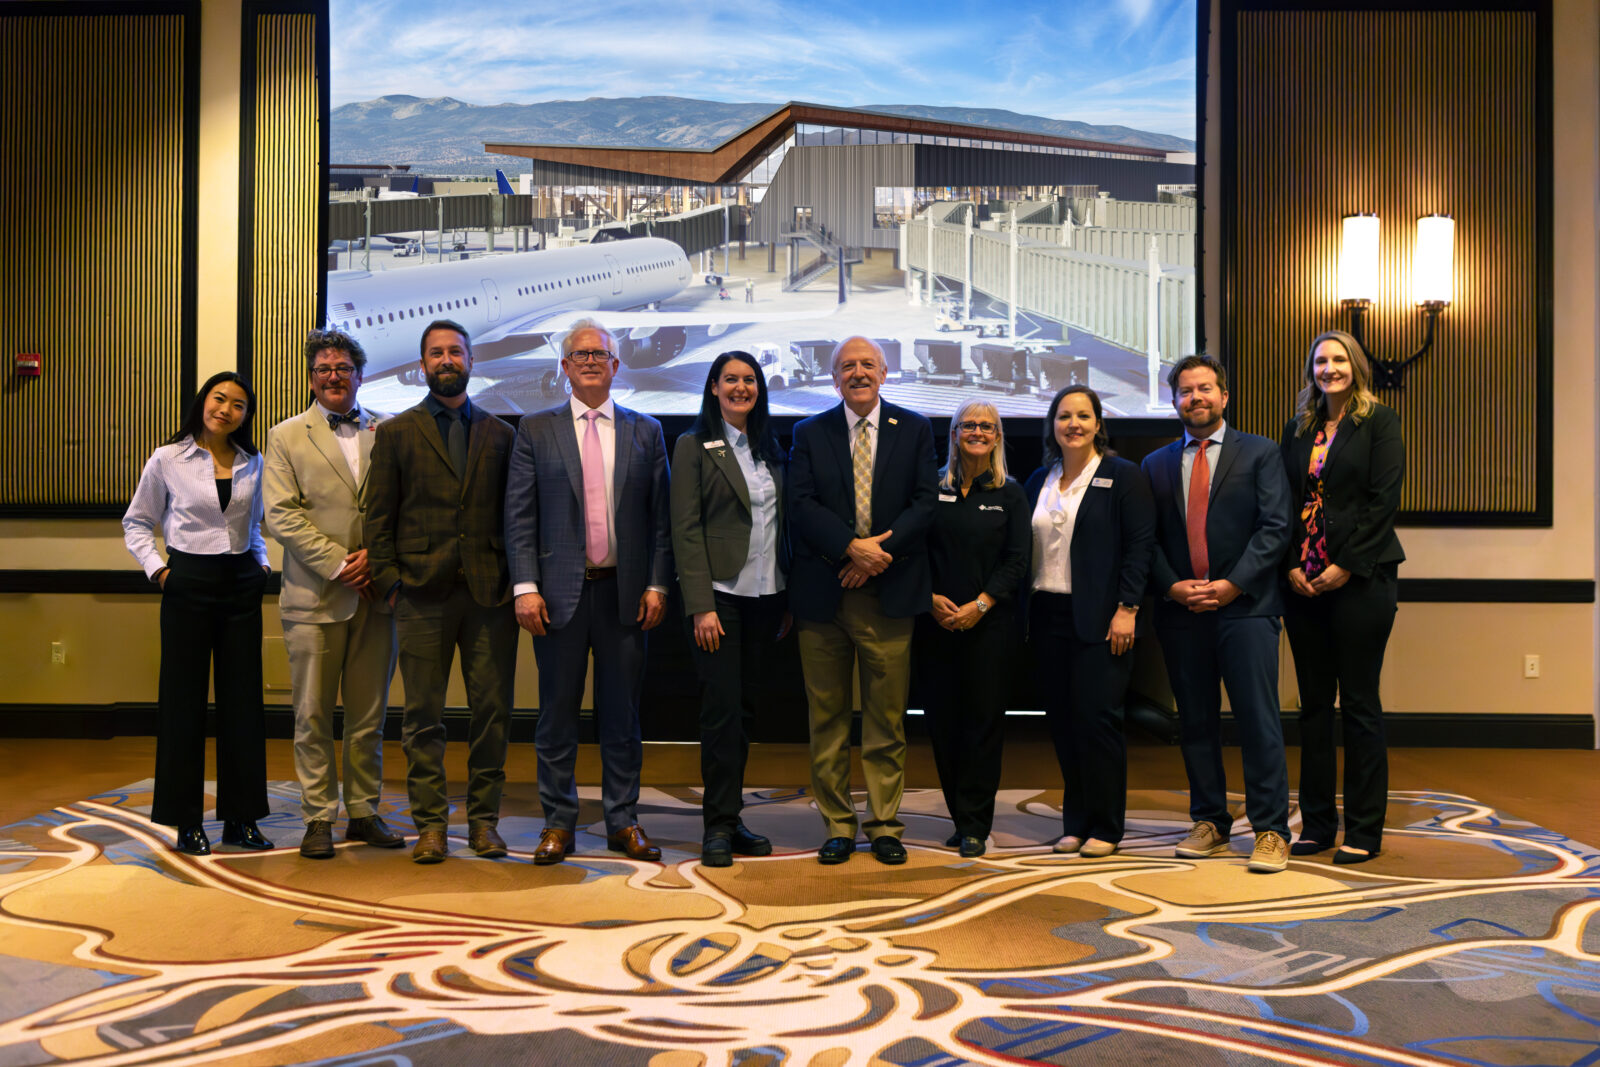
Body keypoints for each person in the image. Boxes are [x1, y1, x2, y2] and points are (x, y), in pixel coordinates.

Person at [505, 318, 673, 866]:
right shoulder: (535, 429)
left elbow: (660, 520)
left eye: (600, 354)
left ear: (616, 366)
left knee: (622, 717)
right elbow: (520, 516)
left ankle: (623, 820)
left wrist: (655, 582)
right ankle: (559, 823)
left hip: (625, 596)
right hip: (557, 597)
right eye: (580, 355)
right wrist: (525, 587)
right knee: (556, 715)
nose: (591, 362)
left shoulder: (646, 431)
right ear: (565, 368)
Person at [363, 320, 517, 865]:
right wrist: (391, 585)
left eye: (455, 351)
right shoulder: (397, 433)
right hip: (420, 595)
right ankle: (430, 824)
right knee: (423, 717)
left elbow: (514, 518)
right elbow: (377, 519)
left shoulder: (501, 434)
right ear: (423, 364)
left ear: (472, 360)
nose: (446, 359)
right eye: (436, 353)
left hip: (488, 595)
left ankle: (484, 822)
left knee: (492, 713)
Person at [789, 336, 937, 866]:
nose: (858, 373)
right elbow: (800, 505)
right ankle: (836, 824)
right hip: (824, 596)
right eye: (847, 366)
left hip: (890, 593)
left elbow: (925, 503)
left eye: (867, 365)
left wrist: (877, 552)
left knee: (886, 719)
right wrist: (849, 549)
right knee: (827, 718)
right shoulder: (809, 432)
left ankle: (884, 825)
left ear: (884, 373)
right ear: (834, 378)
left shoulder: (915, 428)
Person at [1143, 354, 1294, 873]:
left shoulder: (1261, 453)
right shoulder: (1156, 464)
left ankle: (1271, 828)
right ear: (1174, 401)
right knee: (1197, 722)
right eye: (1185, 391)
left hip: (1246, 610)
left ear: (1224, 396)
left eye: (1205, 388)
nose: (1196, 398)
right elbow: (1149, 540)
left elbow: (1275, 528)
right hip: (1183, 612)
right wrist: (1172, 586)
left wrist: (1232, 585)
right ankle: (1209, 819)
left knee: (1258, 721)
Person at [263, 329, 403, 860]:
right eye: (323, 368)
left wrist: (379, 562)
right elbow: (280, 514)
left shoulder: (386, 430)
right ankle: (319, 816)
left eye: (343, 367)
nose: (334, 376)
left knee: (369, 716)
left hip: (377, 597)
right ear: (311, 378)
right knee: (313, 715)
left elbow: (399, 508)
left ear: (360, 375)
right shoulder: (285, 436)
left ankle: (364, 812)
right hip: (315, 595)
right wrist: (340, 564)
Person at [122, 371, 273, 856]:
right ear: (203, 402)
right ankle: (186, 821)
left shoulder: (254, 463)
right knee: (183, 705)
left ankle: (241, 818)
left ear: (246, 416)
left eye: (238, 405)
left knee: (244, 704)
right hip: (187, 583)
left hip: (242, 584)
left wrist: (262, 565)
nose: (226, 409)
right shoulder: (167, 459)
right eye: (219, 398)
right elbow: (138, 522)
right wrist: (160, 572)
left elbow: (256, 526)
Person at [1279, 330, 1405, 865]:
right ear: (1311, 371)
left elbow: (1383, 503)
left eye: (1338, 359)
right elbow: (1284, 502)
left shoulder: (1379, 421)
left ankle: (1364, 830)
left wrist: (1344, 567)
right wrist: (1290, 564)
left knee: (1357, 706)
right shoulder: (1299, 427)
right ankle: (1316, 826)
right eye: (1320, 361)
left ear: (1354, 365)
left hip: (1361, 582)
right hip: (1303, 585)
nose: (1329, 368)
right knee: (1312, 710)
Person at [1024, 386, 1155, 860]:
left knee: (1099, 723)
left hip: (1103, 618)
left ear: (1099, 423)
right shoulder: (1041, 476)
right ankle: (1075, 823)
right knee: (1063, 724)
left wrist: (1128, 608)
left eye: (1083, 416)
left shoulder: (1123, 476)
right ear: (1052, 425)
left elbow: (1140, 547)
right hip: (1047, 615)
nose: (1073, 424)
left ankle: (1106, 825)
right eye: (1064, 416)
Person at [670, 351, 790, 867]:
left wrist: (789, 596)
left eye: (749, 380)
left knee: (744, 715)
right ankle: (716, 826)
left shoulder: (770, 449)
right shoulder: (694, 445)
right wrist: (699, 604)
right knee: (720, 715)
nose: (741, 388)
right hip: (719, 599)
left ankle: (733, 816)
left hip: (768, 600)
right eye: (731, 380)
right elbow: (686, 529)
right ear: (714, 387)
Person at [918, 400, 1028, 858]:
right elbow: (913, 549)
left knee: (982, 724)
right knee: (943, 724)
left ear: (998, 436)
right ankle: (960, 816)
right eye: (968, 425)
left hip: (990, 627)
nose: (977, 431)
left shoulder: (1010, 493)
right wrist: (928, 598)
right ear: (954, 434)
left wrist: (980, 605)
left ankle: (976, 825)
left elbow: (1018, 560)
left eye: (987, 426)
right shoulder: (930, 488)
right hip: (935, 625)